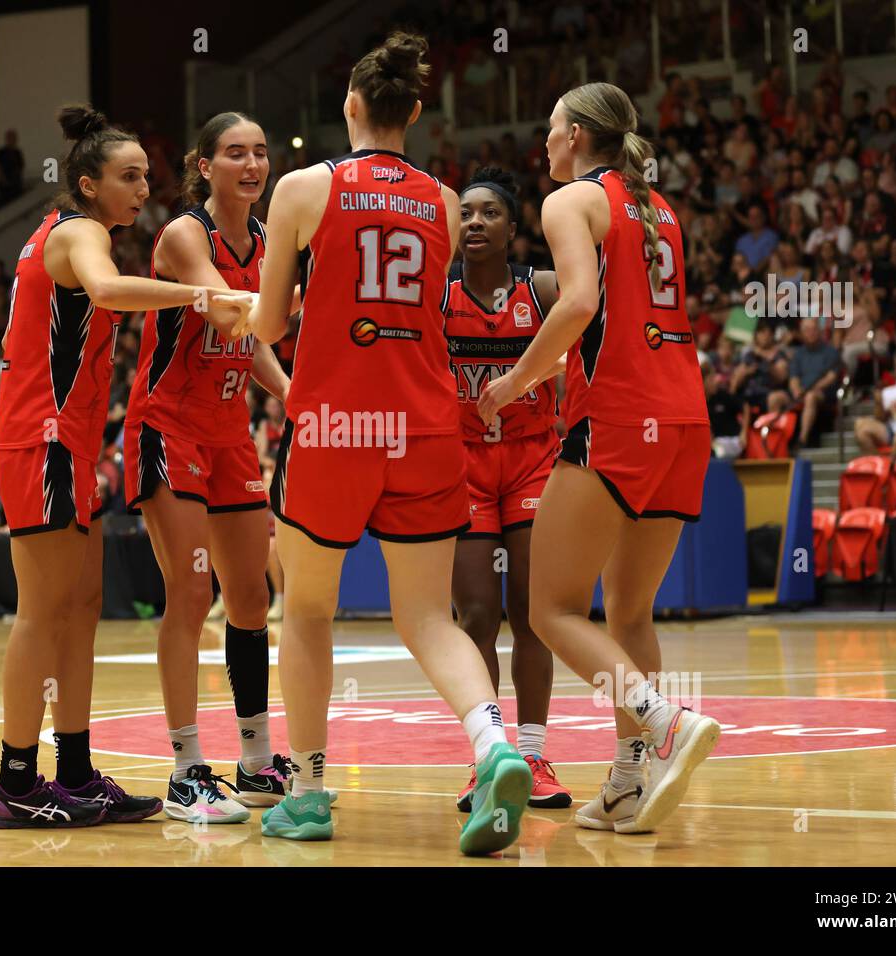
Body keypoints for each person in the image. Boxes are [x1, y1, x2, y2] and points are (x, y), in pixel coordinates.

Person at [236, 32, 534, 854]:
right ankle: (495, 747)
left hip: (336, 425)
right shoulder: (442, 199)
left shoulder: (302, 188)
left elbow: (267, 324)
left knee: (305, 608)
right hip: (427, 425)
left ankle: (309, 793)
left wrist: (245, 307)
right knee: (429, 617)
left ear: (351, 107)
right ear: (413, 114)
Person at [0, 104, 246, 829]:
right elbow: (106, 291)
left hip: (68, 445)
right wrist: (205, 294)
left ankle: (71, 772)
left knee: (83, 608)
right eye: (128, 177)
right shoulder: (78, 233)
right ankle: (15, 782)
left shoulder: (78, 233)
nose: (143, 188)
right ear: (87, 183)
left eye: (146, 176)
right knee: (41, 614)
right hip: (39, 440)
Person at [478, 82, 721, 835]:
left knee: (549, 609)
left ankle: (664, 722)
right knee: (630, 611)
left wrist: (516, 379)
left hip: (617, 418)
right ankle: (626, 784)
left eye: (551, 130)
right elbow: (613, 318)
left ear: (578, 135)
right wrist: (552, 367)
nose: (544, 144)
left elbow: (578, 303)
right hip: (683, 416)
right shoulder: (660, 208)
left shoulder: (571, 202)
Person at [123, 111, 296, 823]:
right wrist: (298, 308)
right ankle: (185, 769)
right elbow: (228, 312)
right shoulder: (184, 235)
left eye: (259, 153)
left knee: (251, 600)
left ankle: (255, 760)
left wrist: (291, 393)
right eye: (234, 154)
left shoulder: (265, 240)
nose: (251, 164)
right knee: (191, 597)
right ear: (204, 166)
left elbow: (252, 342)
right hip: (168, 428)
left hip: (228, 438)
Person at [443, 166, 571, 812]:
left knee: (532, 614)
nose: (474, 222)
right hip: (463, 467)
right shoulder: (435, 299)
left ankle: (535, 752)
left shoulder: (542, 288)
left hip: (532, 462)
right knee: (476, 618)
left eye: (488, 213)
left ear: (514, 230)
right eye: (465, 212)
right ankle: (486, 756)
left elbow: (587, 330)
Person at [789, 317, 842, 447]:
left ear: (819, 331)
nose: (810, 332)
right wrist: (796, 391)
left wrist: (809, 389)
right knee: (776, 398)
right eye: (807, 330)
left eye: (813, 329)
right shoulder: (798, 354)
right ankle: (780, 442)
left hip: (823, 393)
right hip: (801, 392)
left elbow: (831, 377)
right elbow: (793, 377)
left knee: (811, 396)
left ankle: (802, 439)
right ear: (801, 333)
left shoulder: (831, 351)